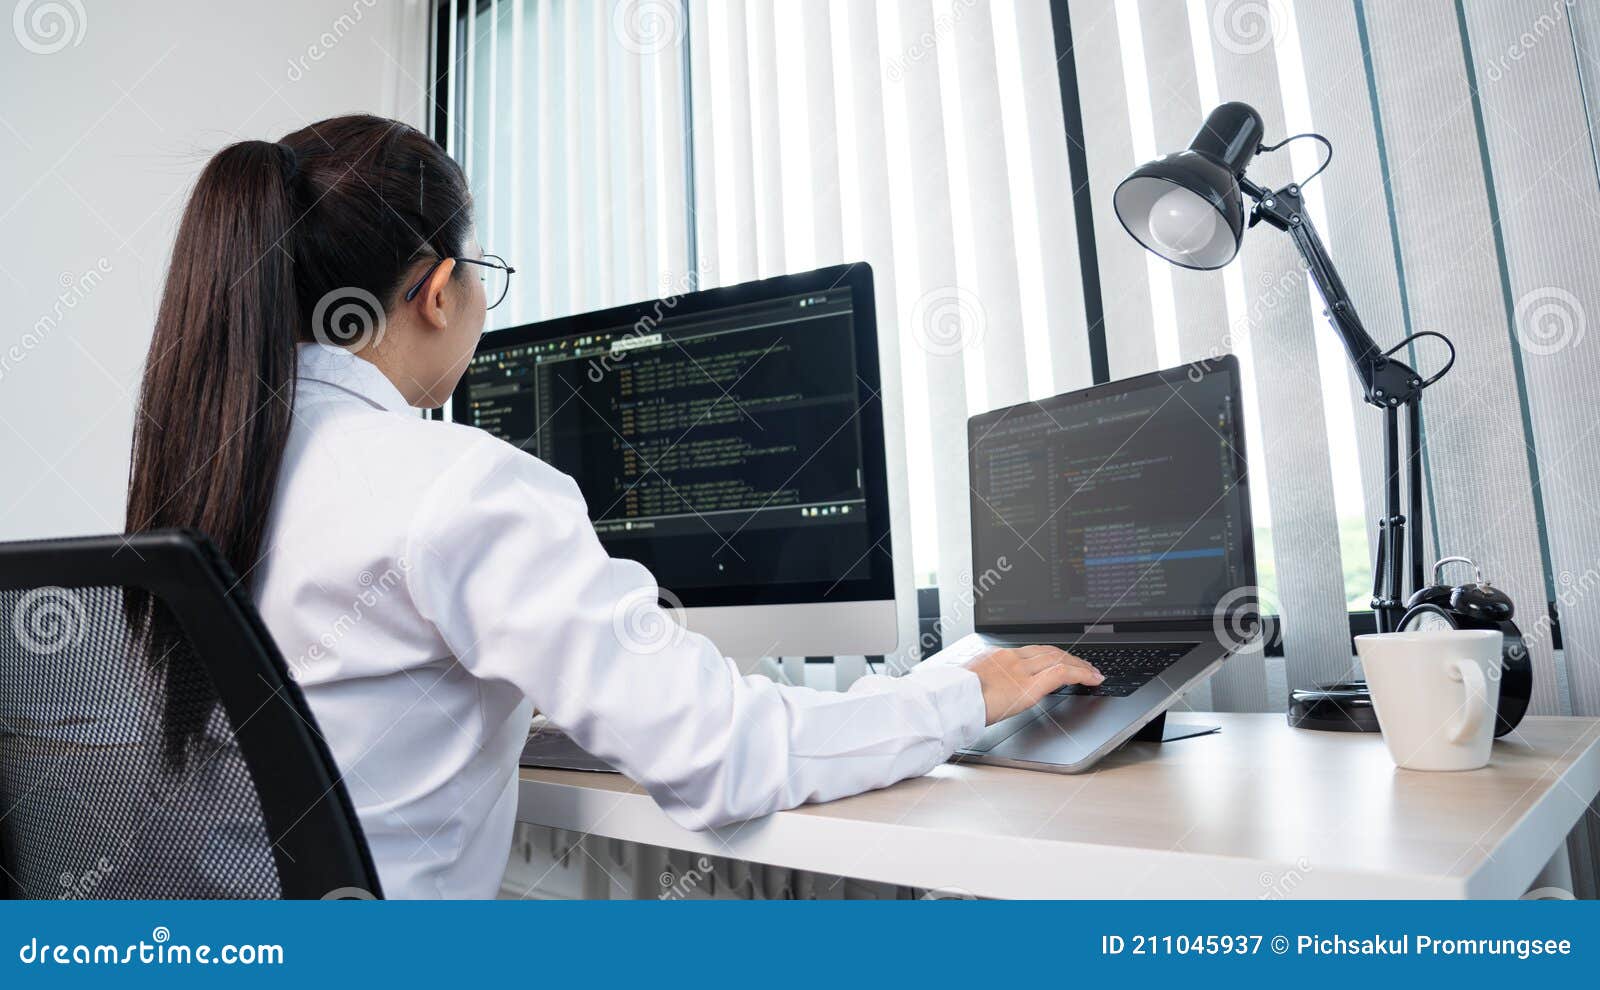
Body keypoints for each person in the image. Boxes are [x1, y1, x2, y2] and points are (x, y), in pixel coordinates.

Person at [125, 115, 1103, 899]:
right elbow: (724, 758)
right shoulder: (454, 485)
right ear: (434, 291)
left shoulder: (206, 479)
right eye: (482, 279)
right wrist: (967, 691)